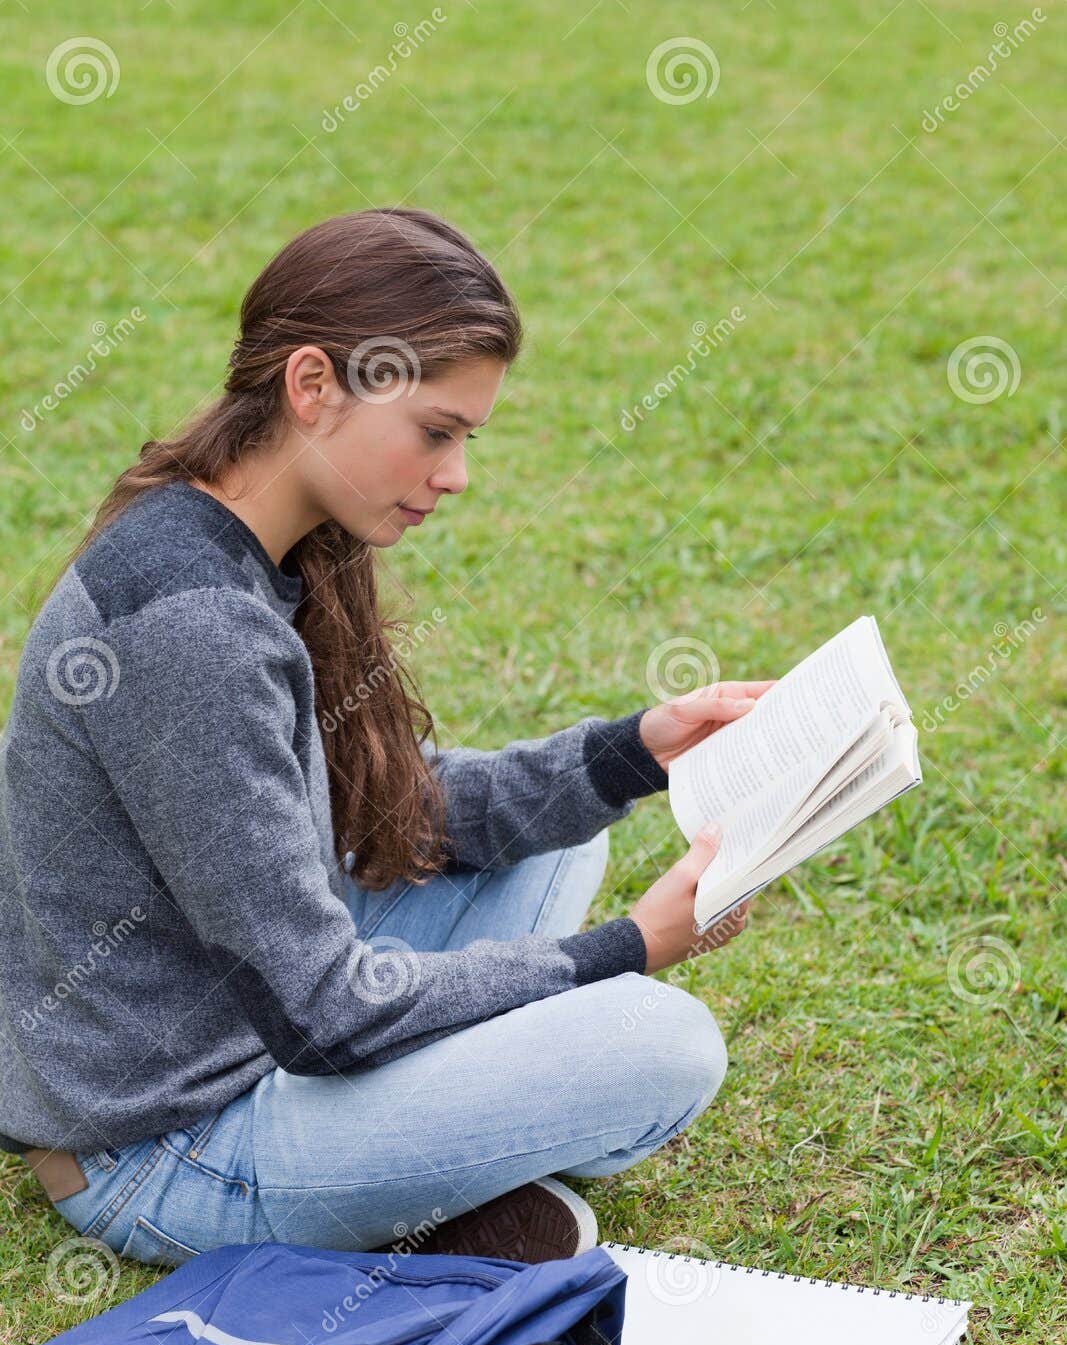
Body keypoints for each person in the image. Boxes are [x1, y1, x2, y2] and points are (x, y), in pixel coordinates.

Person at [0, 207, 769, 1269]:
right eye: (436, 431)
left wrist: (635, 748)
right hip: (165, 1144)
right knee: (665, 1042)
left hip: (249, 1010)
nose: (454, 475)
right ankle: (438, 1159)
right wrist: (621, 950)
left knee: (560, 831)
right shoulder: (189, 630)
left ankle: (440, 1147)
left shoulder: (240, 529)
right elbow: (322, 1016)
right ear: (311, 386)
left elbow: (388, 811)